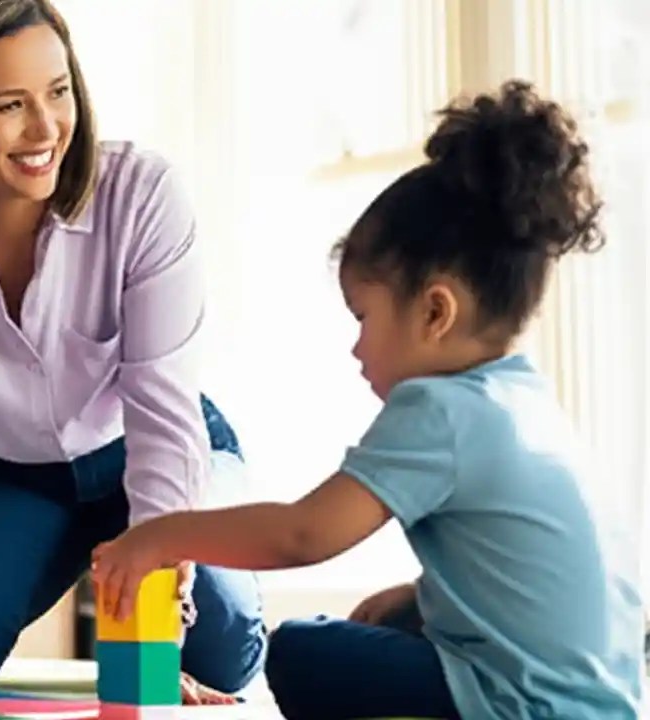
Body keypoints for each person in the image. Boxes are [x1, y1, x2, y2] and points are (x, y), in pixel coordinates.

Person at [91, 80, 646, 720]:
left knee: (300, 649)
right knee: (375, 629)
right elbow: (532, 583)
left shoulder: (440, 409)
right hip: (605, 704)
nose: (357, 347)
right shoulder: (528, 404)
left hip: (515, 705)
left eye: (363, 317)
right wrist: (417, 600)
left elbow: (302, 533)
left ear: (434, 312)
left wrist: (160, 535)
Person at [0, 0, 265, 702]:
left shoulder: (142, 194)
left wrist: (151, 645)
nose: (45, 130)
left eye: (58, 92)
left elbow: (162, 413)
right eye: (9, 105)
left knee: (220, 658)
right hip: (2, 470)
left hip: (141, 445)